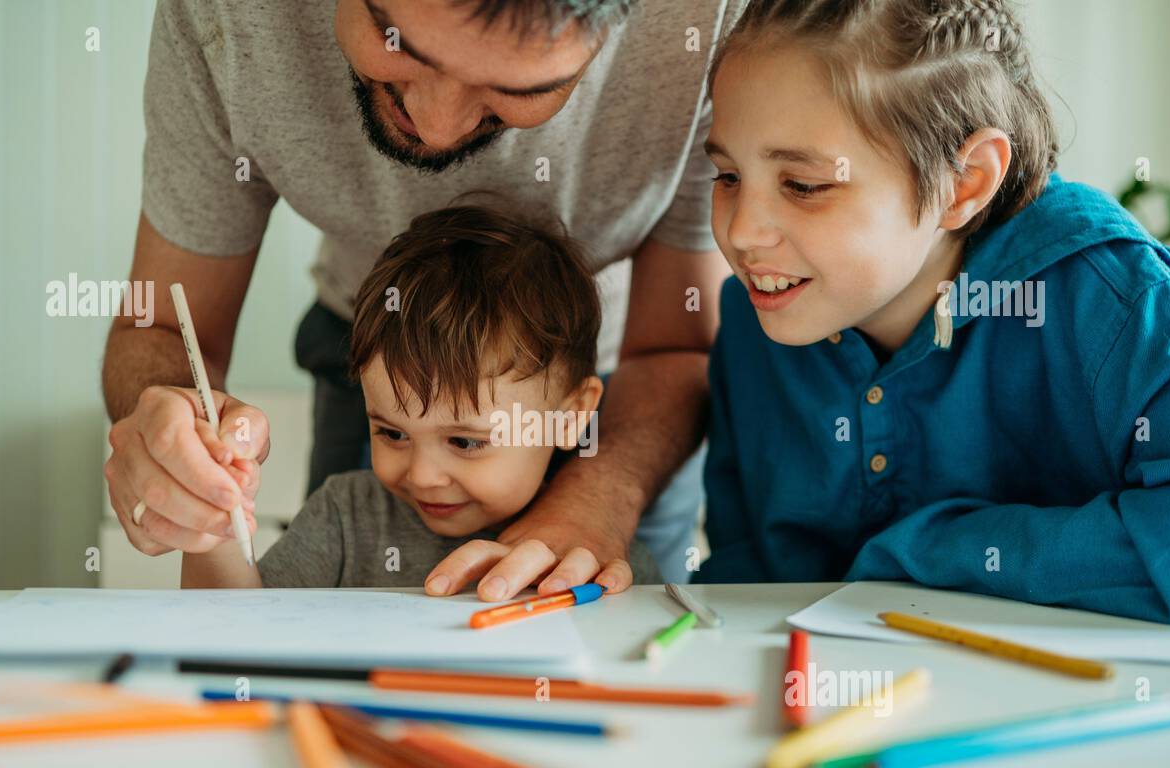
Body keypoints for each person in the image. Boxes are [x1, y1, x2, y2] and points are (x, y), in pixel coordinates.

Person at [103, 0, 744, 598]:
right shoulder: (348, 520)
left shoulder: (711, 20)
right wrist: (199, 494)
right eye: (399, 45)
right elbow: (161, 323)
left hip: (628, 382)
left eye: (518, 89)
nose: (437, 131)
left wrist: (599, 497)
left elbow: (674, 345)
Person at [696, 0, 1170, 623]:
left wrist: (936, 555)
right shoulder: (758, 313)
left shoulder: (1121, 306)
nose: (741, 233)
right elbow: (744, 587)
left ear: (965, 182)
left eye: (803, 186)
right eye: (727, 176)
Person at [181, 204, 660, 588]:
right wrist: (215, 533)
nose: (423, 477)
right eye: (391, 432)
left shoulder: (595, 547)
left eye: (465, 442)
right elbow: (238, 638)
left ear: (571, 416)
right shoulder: (344, 518)